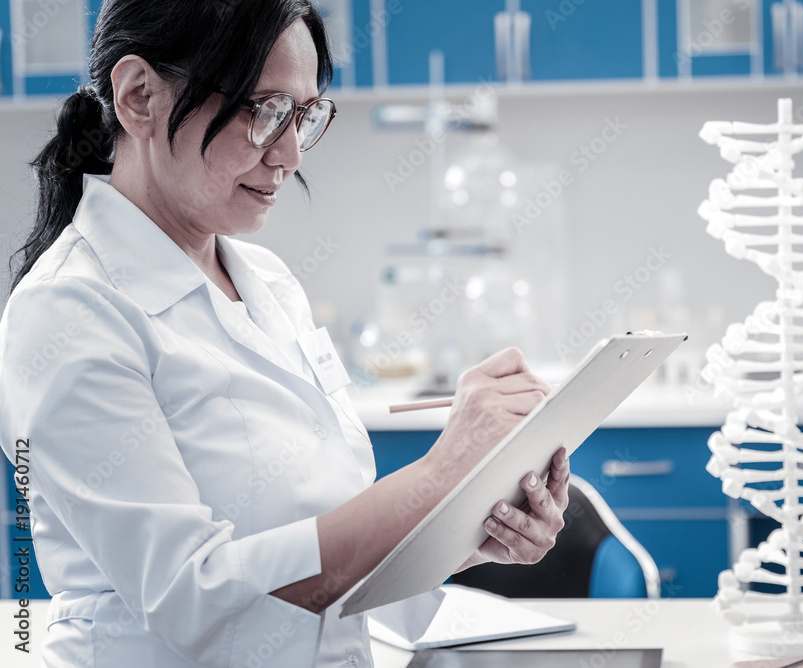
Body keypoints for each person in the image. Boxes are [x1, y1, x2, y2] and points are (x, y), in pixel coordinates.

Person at [0, 1, 569, 666]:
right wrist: (439, 473)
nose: (292, 153)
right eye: (264, 110)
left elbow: (318, 540)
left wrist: (469, 526)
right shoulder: (68, 311)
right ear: (140, 97)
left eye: (302, 115)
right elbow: (192, 598)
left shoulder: (266, 281)